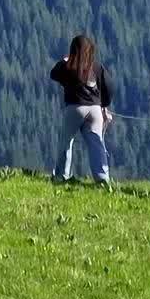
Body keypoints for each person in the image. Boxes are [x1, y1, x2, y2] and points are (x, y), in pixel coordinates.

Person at [49, 33, 114, 185]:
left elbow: (53, 74)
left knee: (66, 142)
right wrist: (104, 105)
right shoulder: (97, 67)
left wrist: (63, 61)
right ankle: (102, 179)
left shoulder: (67, 67)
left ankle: (61, 176)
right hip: (95, 110)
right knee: (96, 144)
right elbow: (110, 87)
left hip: (75, 108)